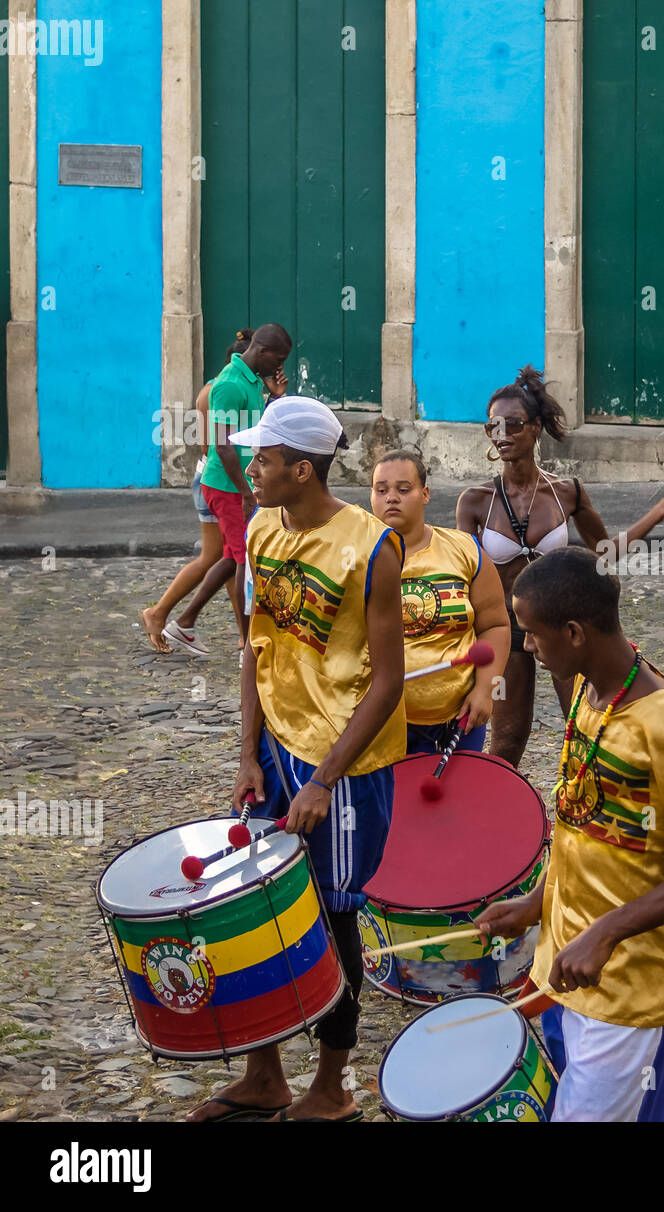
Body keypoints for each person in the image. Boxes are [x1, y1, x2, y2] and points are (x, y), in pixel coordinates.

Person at [186, 396, 405, 1123]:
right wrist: (247, 752)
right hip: (276, 752)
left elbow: (387, 680)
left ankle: (332, 1085)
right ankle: (265, 1074)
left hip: (344, 761)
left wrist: (325, 776)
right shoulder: (259, 528)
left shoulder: (372, 546)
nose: (249, 469)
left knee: (333, 919)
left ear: (302, 470)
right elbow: (254, 645)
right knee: (260, 906)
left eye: (264, 460)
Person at [474, 547, 664, 1122]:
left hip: (631, 986)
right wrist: (536, 903)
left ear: (572, 632)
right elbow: (584, 829)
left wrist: (607, 933)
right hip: (566, 965)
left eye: (531, 633)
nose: (525, 647)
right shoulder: (583, 695)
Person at [456, 366, 664, 766]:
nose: (502, 435)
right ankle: (503, 825)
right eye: (492, 426)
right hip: (508, 631)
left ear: (535, 429)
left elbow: (604, 551)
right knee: (508, 741)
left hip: (565, 628)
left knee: (588, 728)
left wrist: (658, 512)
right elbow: (464, 576)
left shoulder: (567, 492)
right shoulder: (475, 501)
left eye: (513, 424)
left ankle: (587, 812)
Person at [369, 448, 511, 755]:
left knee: (455, 802)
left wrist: (484, 690)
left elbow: (496, 626)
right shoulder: (355, 560)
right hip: (380, 723)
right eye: (381, 490)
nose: (391, 497)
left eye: (403, 489)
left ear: (425, 494)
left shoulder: (465, 550)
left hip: (458, 720)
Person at [164, 323, 292, 657]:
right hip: (227, 487)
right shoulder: (229, 385)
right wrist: (246, 493)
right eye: (277, 359)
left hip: (241, 485)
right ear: (261, 352)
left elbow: (258, 430)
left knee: (231, 556)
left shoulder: (251, 382)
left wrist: (277, 397)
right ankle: (249, 646)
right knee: (243, 562)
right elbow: (222, 446)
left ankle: (185, 623)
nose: (279, 367)